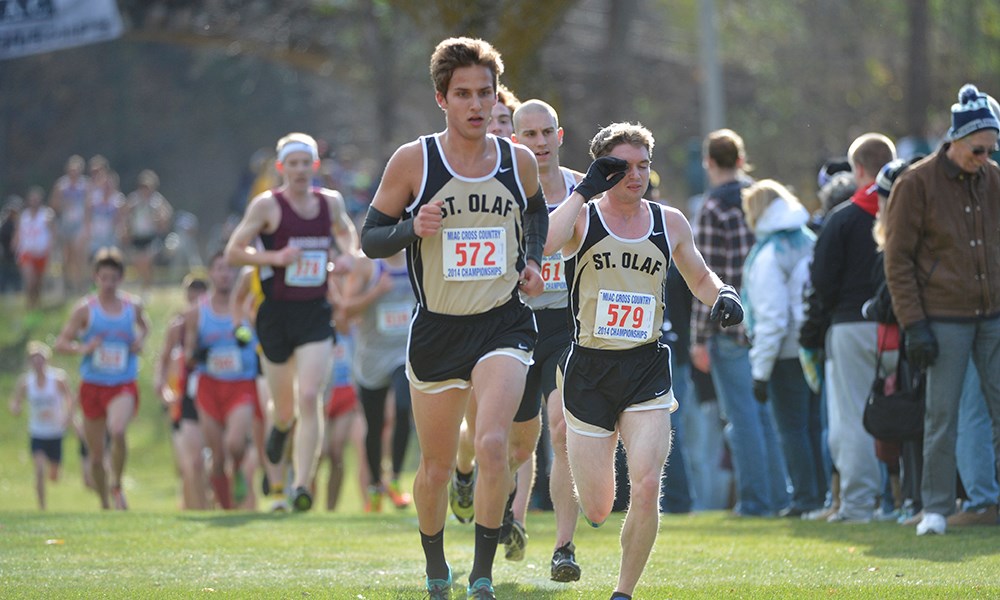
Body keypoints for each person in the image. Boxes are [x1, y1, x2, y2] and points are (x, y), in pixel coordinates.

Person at [360, 37, 547, 599]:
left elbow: (535, 209)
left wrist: (533, 260)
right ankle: (436, 565)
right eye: (463, 94)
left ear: (496, 98)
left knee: (492, 444)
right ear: (441, 98)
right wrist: (410, 229)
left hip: (502, 322)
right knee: (437, 469)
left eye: (485, 94)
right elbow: (368, 238)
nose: (476, 105)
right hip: (438, 328)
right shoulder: (414, 161)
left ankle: (484, 574)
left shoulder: (517, 159)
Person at [545, 122, 743, 600]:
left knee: (648, 482)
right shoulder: (582, 218)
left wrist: (723, 293)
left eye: (642, 166)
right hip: (590, 368)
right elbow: (545, 243)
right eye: (621, 167)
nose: (635, 176)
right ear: (601, 168)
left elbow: (699, 274)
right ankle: (573, 537)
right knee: (597, 508)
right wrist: (584, 189)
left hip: (646, 366)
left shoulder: (668, 221)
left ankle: (624, 592)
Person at [884, 83, 1000, 535]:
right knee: (941, 415)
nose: (984, 157)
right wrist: (915, 325)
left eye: (991, 149)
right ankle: (935, 507)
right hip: (943, 318)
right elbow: (898, 262)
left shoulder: (993, 178)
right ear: (955, 140)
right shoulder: (916, 183)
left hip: (992, 315)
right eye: (978, 148)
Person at [224, 132, 359, 512]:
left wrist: (348, 255)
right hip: (276, 315)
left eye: (306, 163)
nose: (300, 170)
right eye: (293, 164)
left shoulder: (329, 203)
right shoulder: (267, 206)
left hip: (315, 311)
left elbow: (347, 233)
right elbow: (235, 252)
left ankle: (300, 484)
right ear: (282, 168)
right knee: (284, 409)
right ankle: (280, 430)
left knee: (310, 395)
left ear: (315, 167)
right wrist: (275, 258)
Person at [505, 98, 584, 577]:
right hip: (514, 325)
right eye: (528, 135)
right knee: (518, 445)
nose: (538, 143)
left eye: (546, 133)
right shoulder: (505, 187)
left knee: (562, 428)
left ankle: (564, 548)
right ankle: (504, 517)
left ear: (560, 135)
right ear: (515, 140)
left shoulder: (582, 188)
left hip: (565, 324)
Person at [690, 129, 788, 517]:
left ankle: (755, 501)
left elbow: (706, 277)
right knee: (766, 416)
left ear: (709, 163)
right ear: (742, 159)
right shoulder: (762, 198)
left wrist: (698, 337)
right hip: (766, 320)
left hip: (729, 327)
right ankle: (782, 496)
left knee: (742, 418)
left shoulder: (712, 207)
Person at [809, 132, 896, 523]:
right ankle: (913, 500)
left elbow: (822, 282)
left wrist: (814, 328)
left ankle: (860, 503)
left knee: (853, 417)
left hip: (850, 324)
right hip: (905, 325)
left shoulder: (843, 217)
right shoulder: (909, 210)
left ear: (858, 168)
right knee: (918, 414)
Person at [451, 82, 524, 525]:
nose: (496, 127)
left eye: (504, 122)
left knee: (519, 433)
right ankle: (463, 472)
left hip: (524, 318)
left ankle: (511, 518)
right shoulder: (460, 170)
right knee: (481, 433)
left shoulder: (525, 174)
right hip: (476, 315)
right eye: (491, 121)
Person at [740, 179, 826, 517]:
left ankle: (805, 497)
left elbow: (771, 318)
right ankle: (821, 494)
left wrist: (760, 373)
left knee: (792, 429)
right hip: (813, 348)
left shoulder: (768, 254)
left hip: (785, 354)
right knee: (815, 425)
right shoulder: (808, 241)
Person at [54, 246, 148, 510]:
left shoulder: (132, 305)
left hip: (123, 382)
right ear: (96, 277)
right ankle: (105, 502)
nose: (108, 283)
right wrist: (83, 348)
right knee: (96, 457)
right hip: (93, 385)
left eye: (113, 278)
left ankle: (116, 484)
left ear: (121, 278)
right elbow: (61, 343)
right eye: (103, 278)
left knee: (117, 431)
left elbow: (145, 327)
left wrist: (139, 341)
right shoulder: (85, 309)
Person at [338, 249, 415, 512]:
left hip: (403, 353)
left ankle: (394, 479)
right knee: (374, 424)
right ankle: (374, 486)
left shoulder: (417, 257)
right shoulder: (366, 264)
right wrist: (376, 292)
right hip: (371, 357)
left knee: (404, 407)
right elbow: (345, 311)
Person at [185, 252, 259, 510]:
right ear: (211, 273)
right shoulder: (197, 311)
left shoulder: (249, 307)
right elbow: (188, 355)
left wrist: (248, 342)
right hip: (209, 386)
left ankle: (238, 468)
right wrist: (199, 353)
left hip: (241, 384)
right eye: (219, 268)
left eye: (230, 269)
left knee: (235, 443)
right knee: (216, 457)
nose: (225, 274)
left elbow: (263, 344)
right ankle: (226, 506)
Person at [154, 272, 210, 510]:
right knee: (188, 463)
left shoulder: (212, 323)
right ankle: (192, 506)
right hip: (181, 401)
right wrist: (163, 390)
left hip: (208, 399)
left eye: (200, 294)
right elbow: (164, 360)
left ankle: (205, 504)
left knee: (207, 461)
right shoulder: (176, 327)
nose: (195, 299)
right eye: (192, 294)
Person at [9, 341, 74, 510]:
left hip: (55, 432)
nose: (37, 363)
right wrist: (15, 408)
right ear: (30, 362)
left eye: (41, 359)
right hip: (37, 432)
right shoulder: (25, 382)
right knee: (39, 470)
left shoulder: (58, 379)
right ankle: (42, 507)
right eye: (34, 359)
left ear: (47, 360)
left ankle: (53, 474)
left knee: (53, 476)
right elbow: (15, 401)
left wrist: (68, 417)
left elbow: (70, 399)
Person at [121, 170, 173, 294]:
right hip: (137, 236)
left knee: (146, 260)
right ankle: (145, 284)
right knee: (138, 262)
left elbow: (166, 216)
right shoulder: (134, 199)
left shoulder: (157, 201)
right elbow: (124, 213)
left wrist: (159, 219)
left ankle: (147, 287)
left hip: (151, 237)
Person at [49, 155, 89, 292]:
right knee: (66, 257)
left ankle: (80, 285)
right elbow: (54, 205)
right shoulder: (61, 185)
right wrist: (63, 203)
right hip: (66, 224)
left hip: (79, 225)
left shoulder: (84, 185)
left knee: (79, 255)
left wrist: (87, 225)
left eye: (76, 170)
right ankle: (66, 285)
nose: (74, 173)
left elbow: (89, 206)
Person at [15, 186, 54, 310]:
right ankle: (29, 306)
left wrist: (52, 249)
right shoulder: (24, 216)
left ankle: (36, 306)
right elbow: (19, 233)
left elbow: (53, 232)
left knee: (38, 283)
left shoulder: (46, 215)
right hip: (27, 252)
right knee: (30, 281)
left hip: (42, 253)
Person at [84, 156, 124, 259]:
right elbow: (88, 216)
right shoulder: (94, 197)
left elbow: (120, 220)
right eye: (104, 184)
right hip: (95, 237)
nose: (107, 187)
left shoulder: (118, 199)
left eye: (109, 184)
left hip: (111, 237)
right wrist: (88, 231)